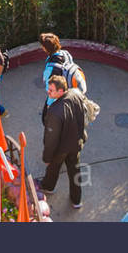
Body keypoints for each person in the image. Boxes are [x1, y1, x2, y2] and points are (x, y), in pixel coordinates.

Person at [38, 74, 88, 209]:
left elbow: (51, 139)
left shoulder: (54, 111)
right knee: (74, 171)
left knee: (53, 167)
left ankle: (48, 186)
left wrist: (47, 157)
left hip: (61, 148)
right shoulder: (75, 94)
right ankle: (76, 200)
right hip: (76, 143)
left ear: (60, 91)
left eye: (51, 90)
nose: (48, 92)